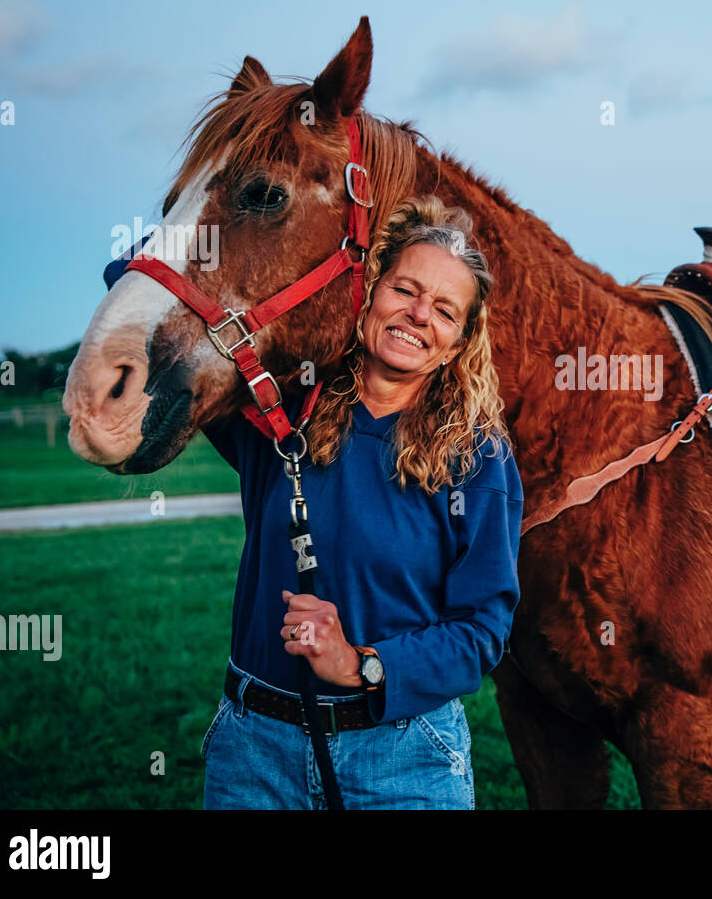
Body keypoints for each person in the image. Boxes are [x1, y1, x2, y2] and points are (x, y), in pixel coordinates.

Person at [187, 196, 522, 809]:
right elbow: (152, 279)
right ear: (367, 292)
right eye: (405, 289)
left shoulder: (477, 459)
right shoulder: (284, 412)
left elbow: (482, 632)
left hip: (404, 759)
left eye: (445, 310)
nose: (419, 314)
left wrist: (361, 664)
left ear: (456, 343)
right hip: (255, 753)